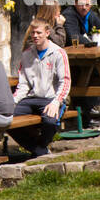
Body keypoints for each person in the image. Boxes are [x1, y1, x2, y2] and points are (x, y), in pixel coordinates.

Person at [12, 19, 72, 156]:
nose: (35, 36)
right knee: (6, 119)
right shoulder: (27, 54)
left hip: (51, 98)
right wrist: (13, 101)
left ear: (47, 33)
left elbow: (65, 81)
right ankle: (40, 150)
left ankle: (40, 147)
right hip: (31, 98)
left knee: (50, 122)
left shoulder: (58, 53)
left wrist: (56, 102)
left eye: (39, 32)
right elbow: (23, 84)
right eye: (32, 33)